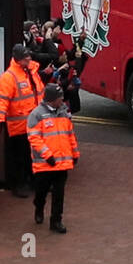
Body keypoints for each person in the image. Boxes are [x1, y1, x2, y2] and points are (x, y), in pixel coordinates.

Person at [27, 83, 78, 234]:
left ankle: (56, 221)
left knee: (59, 194)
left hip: (62, 163)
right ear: (51, 100)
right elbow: (34, 138)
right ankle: (39, 207)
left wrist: (75, 154)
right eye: (59, 98)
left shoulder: (63, 113)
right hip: (44, 164)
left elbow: (70, 135)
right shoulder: (36, 115)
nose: (62, 100)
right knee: (41, 192)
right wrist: (47, 155)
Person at [0, 43, 44, 197]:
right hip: (18, 126)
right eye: (25, 57)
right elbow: (2, 100)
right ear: (17, 59)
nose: (29, 58)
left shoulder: (31, 71)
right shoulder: (9, 77)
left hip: (33, 124)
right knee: (18, 158)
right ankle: (18, 184)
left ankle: (33, 181)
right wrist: (0, 119)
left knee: (32, 156)